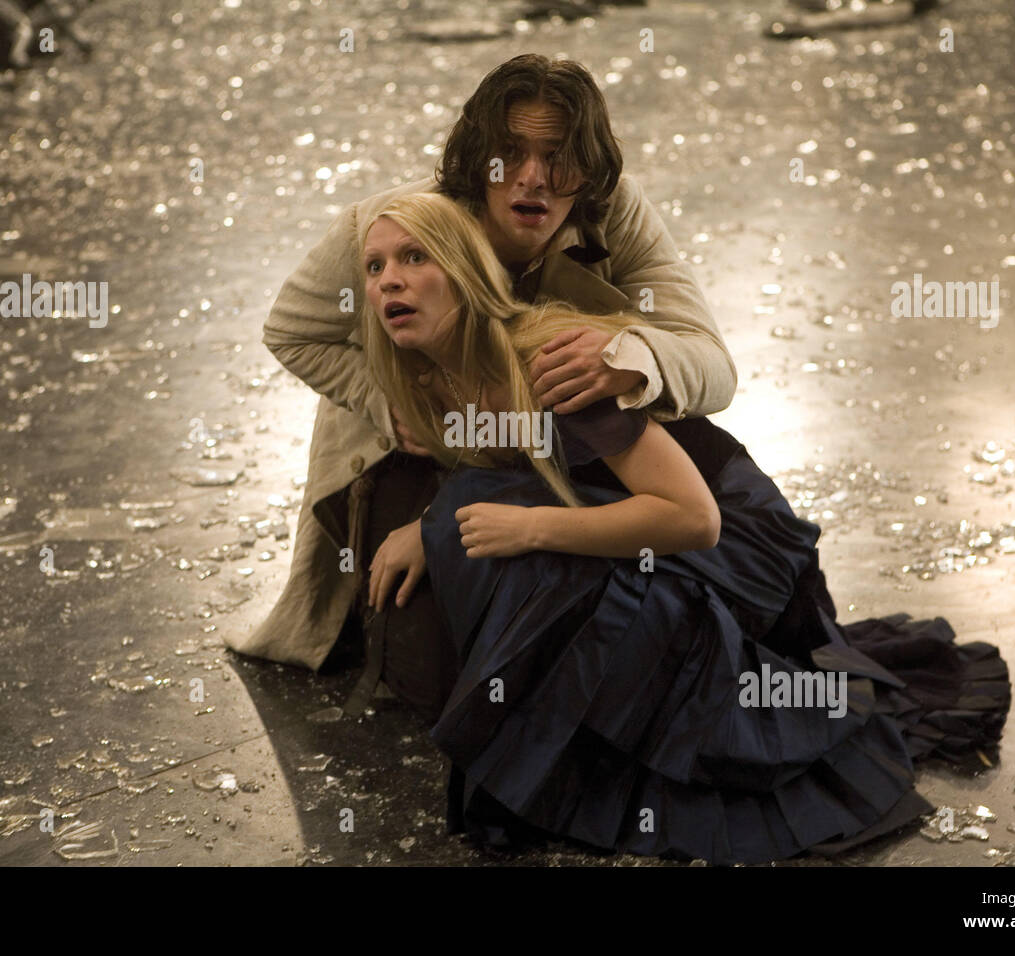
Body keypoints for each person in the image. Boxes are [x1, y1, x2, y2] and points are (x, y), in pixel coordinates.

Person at [357, 189, 1011, 865]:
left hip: (732, 533)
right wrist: (430, 524)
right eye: (374, 268)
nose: (391, 280)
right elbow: (502, 474)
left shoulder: (547, 364)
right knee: (475, 512)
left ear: (464, 269)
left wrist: (532, 529)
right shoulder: (428, 378)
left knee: (524, 544)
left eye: (414, 257)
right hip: (632, 512)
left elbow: (695, 518)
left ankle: (640, 727)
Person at [229, 55, 738, 723]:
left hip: (550, 451)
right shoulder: (392, 222)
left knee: (600, 633)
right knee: (441, 662)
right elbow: (292, 331)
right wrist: (391, 404)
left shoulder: (615, 213)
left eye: (557, 156)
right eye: (509, 154)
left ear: (586, 170)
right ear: (478, 162)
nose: (532, 177)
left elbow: (713, 367)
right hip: (423, 455)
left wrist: (634, 356)